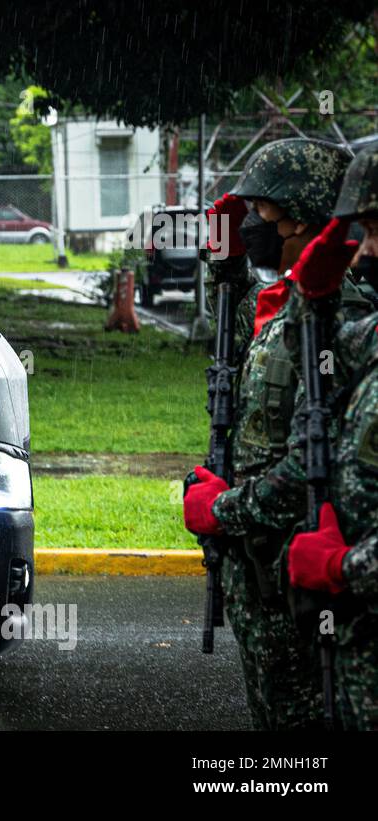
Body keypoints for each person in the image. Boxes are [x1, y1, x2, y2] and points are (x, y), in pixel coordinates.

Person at [184, 138, 367, 729]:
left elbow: (316, 453)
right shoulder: (286, 301)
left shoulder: (341, 312)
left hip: (294, 561)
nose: (254, 223)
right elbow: (244, 329)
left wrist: (224, 509)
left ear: (302, 217)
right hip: (258, 563)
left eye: (262, 212)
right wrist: (224, 258)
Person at [286, 142, 378, 730]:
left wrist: (344, 566)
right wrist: (312, 294)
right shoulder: (373, 335)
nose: (365, 250)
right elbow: (315, 354)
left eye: (376, 232)